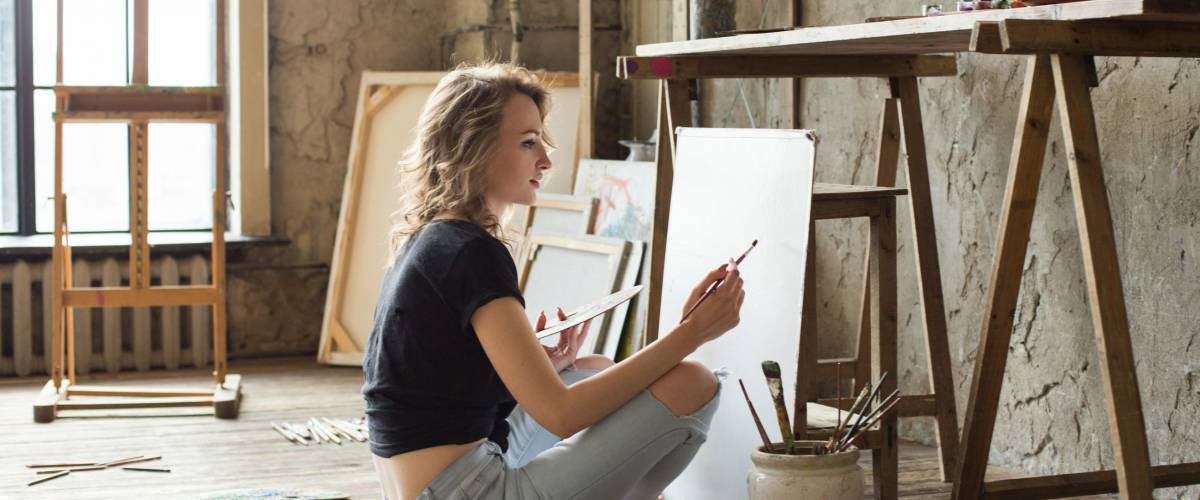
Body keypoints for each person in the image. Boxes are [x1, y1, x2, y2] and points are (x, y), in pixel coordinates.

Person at [363, 62, 746, 500]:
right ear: (474, 147)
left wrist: (537, 368)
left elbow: (433, 394)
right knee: (692, 381)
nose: (545, 160)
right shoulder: (471, 252)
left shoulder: (431, 240)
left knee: (593, 369)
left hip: (436, 484)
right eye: (528, 144)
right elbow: (562, 416)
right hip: (468, 491)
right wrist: (690, 333)